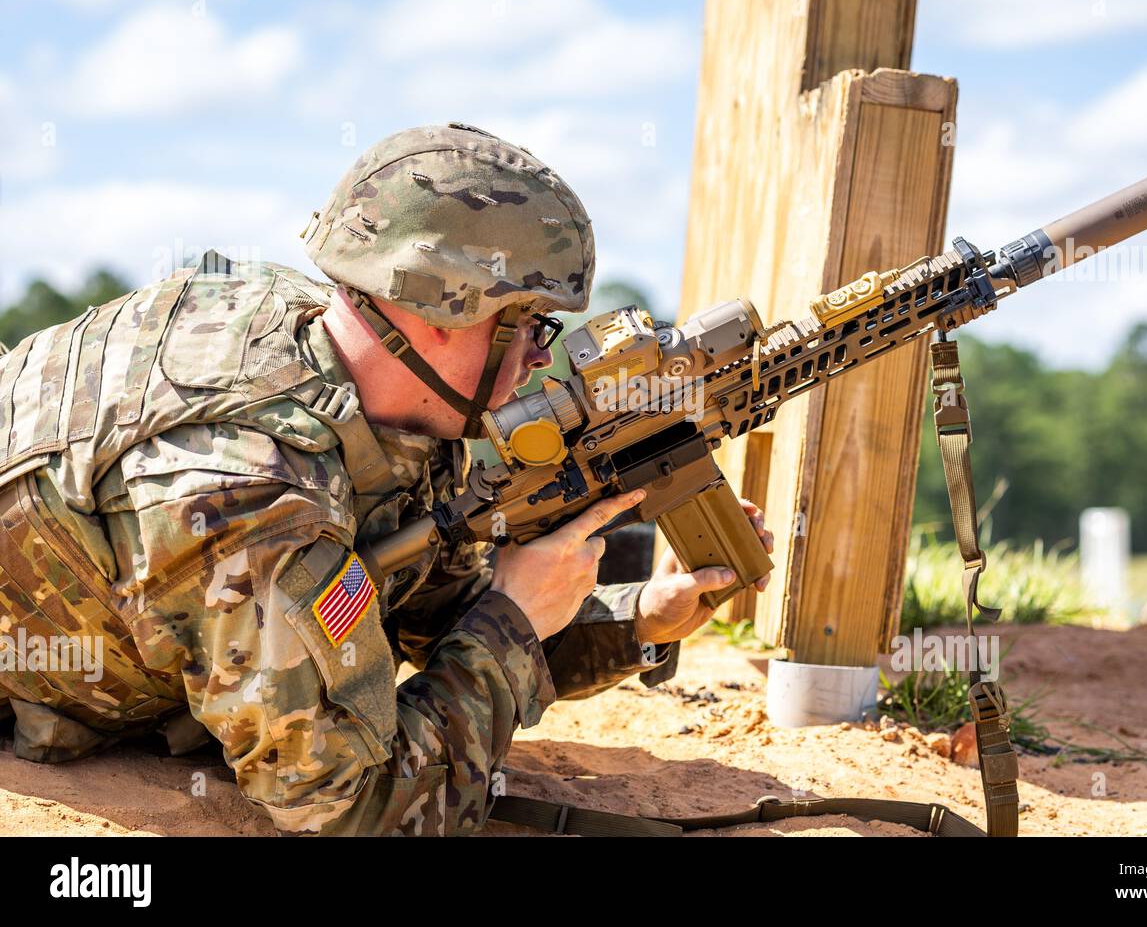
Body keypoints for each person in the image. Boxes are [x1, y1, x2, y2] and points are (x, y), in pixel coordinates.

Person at [0, 123, 772, 835]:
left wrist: (639, 619)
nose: (543, 354)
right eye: (532, 323)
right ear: (443, 309)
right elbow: (353, 811)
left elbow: (429, 608)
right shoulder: (249, 499)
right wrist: (507, 620)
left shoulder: (352, 366)